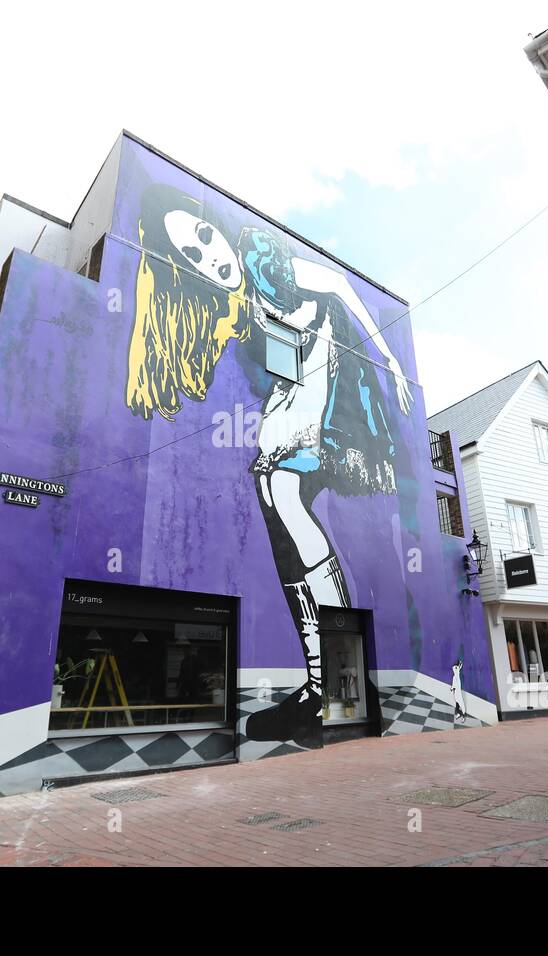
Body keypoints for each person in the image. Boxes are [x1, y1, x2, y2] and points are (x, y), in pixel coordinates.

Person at [126, 185, 413, 748]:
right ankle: (322, 685)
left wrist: (392, 363)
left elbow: (336, 285)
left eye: (204, 235)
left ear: (216, 223)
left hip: (329, 378)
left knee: (280, 488)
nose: (210, 255)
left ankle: (333, 682)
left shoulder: (259, 252)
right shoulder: (227, 298)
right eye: (191, 255)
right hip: (295, 393)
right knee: (271, 491)